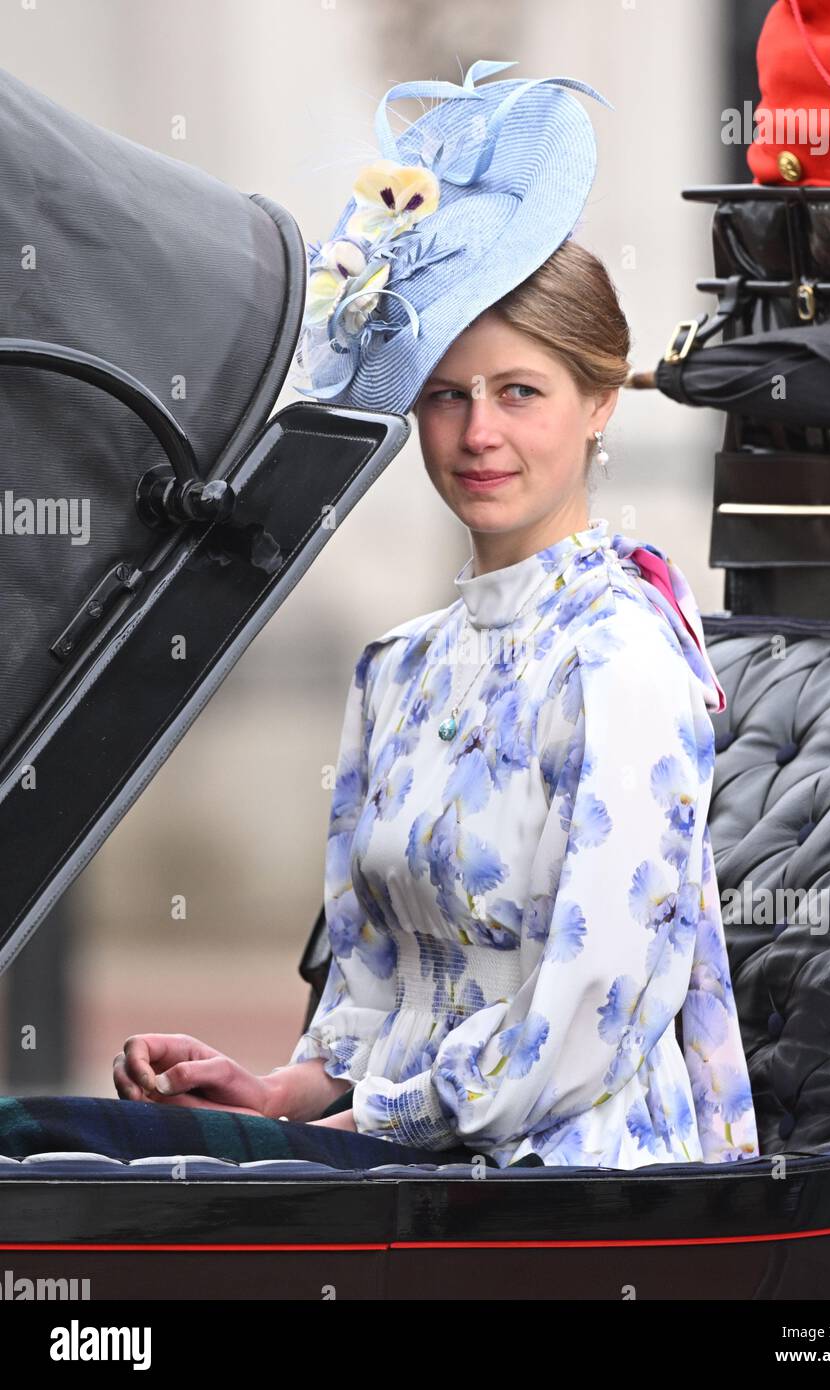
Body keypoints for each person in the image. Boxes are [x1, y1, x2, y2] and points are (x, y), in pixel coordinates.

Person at [1, 58, 759, 1170]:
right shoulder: (399, 667)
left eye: (520, 393)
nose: (477, 435)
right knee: (44, 1141)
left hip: (576, 1182)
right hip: (416, 1161)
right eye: (447, 395)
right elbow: (370, 1000)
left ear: (600, 403)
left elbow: (590, 1013)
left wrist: (364, 1131)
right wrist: (273, 1092)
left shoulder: (624, 656)